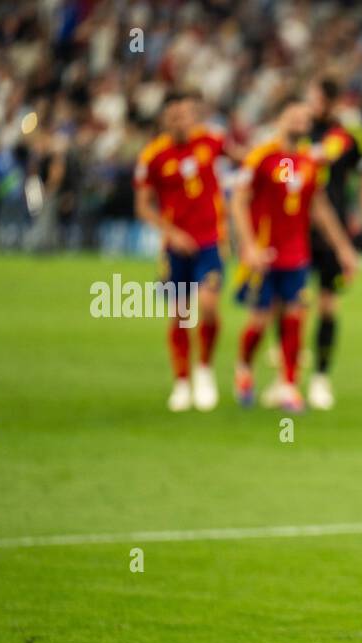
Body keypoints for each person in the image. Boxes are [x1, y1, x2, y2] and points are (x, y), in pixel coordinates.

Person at [231, 96, 357, 412]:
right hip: (265, 252)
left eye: (306, 118)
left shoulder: (308, 161)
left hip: (296, 253)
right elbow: (238, 201)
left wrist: (343, 248)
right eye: (295, 116)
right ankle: (244, 368)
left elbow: (319, 206)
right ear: (279, 119)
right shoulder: (261, 156)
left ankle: (289, 385)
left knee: (295, 315)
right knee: (260, 319)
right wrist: (248, 245)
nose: (302, 122)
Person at [134, 91, 227, 412]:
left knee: (209, 304)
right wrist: (171, 233)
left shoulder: (211, 142)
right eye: (174, 116)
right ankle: (182, 381)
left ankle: (204, 369)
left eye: (185, 114)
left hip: (210, 241)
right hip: (175, 247)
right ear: (165, 119)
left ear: (193, 116)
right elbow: (143, 206)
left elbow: (246, 159)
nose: (180, 121)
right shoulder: (153, 156)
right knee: (180, 315)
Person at [303, 77, 362, 410]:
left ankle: (320, 377)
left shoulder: (350, 137)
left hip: (332, 230)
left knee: (328, 303)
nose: (310, 104)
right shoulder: (296, 131)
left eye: (315, 97)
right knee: (289, 301)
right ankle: (286, 376)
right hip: (293, 228)